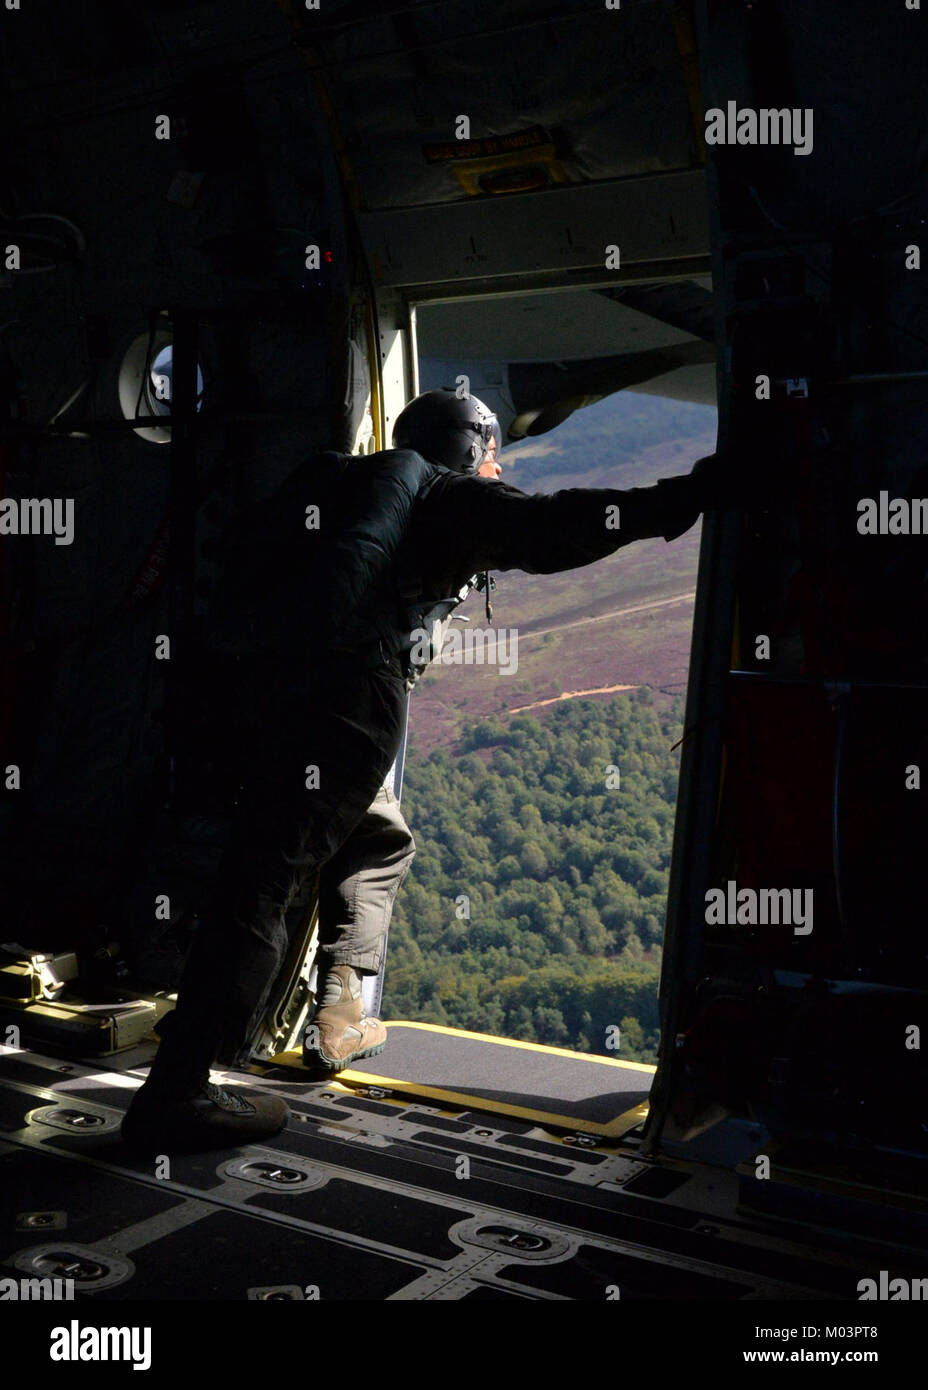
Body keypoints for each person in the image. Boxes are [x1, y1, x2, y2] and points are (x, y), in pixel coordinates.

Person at [122, 387, 723, 1152]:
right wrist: (689, 496)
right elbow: (553, 527)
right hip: (346, 706)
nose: (498, 467)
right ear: (473, 450)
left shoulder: (339, 487)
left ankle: (338, 1014)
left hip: (264, 697)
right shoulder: (445, 499)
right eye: (493, 454)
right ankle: (180, 1089)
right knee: (263, 880)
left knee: (373, 838)